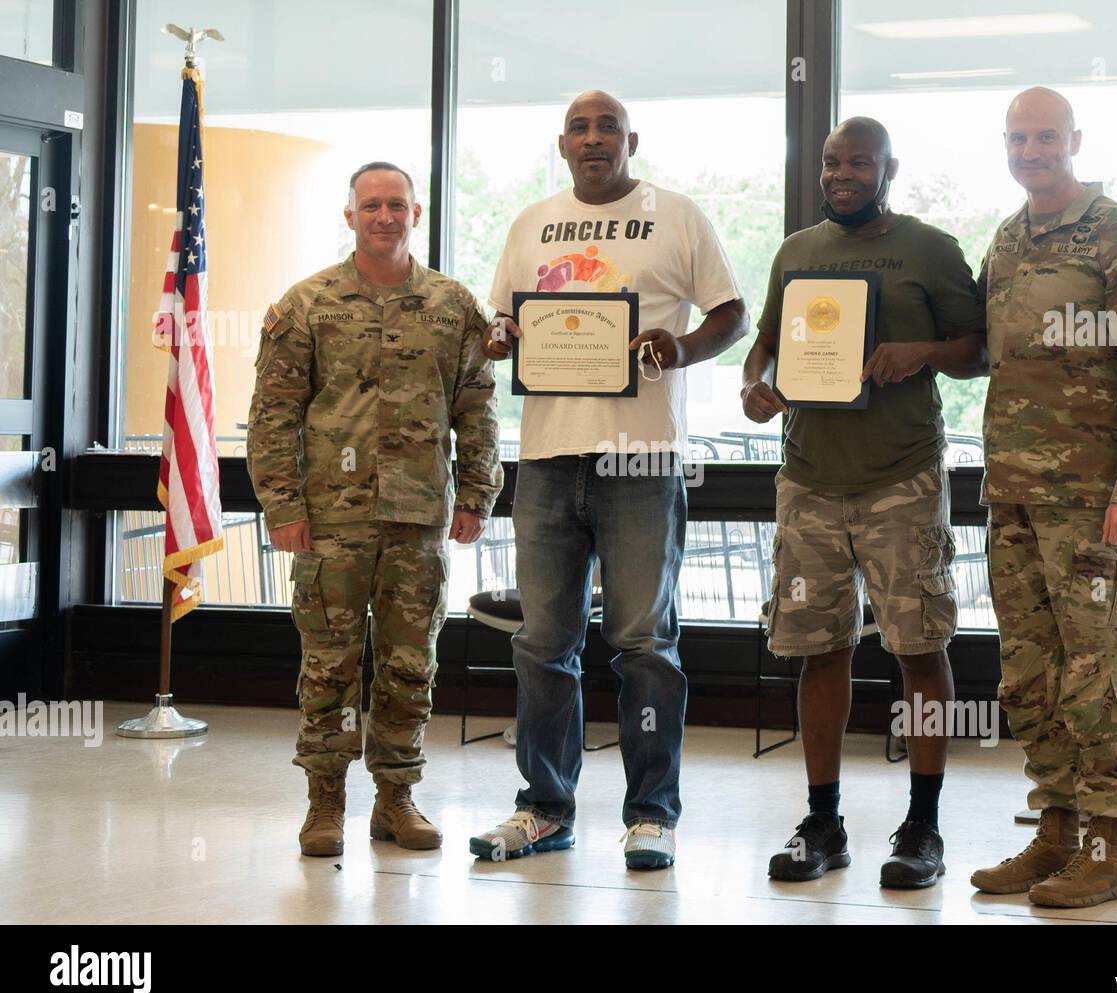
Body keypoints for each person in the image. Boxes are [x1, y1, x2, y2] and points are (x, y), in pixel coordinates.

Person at [471, 90, 748, 870]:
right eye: (580, 130)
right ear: (562, 144)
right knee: (542, 642)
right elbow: (501, 322)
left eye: (608, 129)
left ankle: (652, 813)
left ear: (632, 140)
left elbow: (733, 311)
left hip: (643, 460)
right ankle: (543, 808)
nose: (594, 140)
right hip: (549, 460)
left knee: (644, 645)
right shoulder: (531, 222)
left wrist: (683, 349)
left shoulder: (678, 215)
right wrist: (498, 337)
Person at [742, 118, 987, 887]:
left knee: (918, 647)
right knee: (819, 650)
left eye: (858, 162)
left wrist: (923, 353)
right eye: (830, 162)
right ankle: (823, 820)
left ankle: (922, 825)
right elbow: (766, 343)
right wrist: (753, 381)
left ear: (889, 169)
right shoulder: (798, 250)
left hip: (901, 479)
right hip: (810, 479)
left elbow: (979, 350)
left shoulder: (929, 248)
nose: (840, 173)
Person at [970, 88, 1117, 907]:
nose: (1032, 151)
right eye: (1019, 138)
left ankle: (1107, 850)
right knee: (1030, 674)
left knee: (1097, 676)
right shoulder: (1006, 238)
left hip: (1093, 502)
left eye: (1046, 137)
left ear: (1074, 140)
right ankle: (1056, 832)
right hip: (1016, 500)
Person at [248, 162, 502, 857]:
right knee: (328, 661)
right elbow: (272, 415)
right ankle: (323, 801)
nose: (384, 216)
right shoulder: (307, 305)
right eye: (371, 206)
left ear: (416, 214)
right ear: (350, 214)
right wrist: (282, 505)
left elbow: (477, 410)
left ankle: (396, 796)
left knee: (408, 661)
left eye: (397, 205)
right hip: (329, 519)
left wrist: (477, 494)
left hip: (418, 517)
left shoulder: (455, 307)